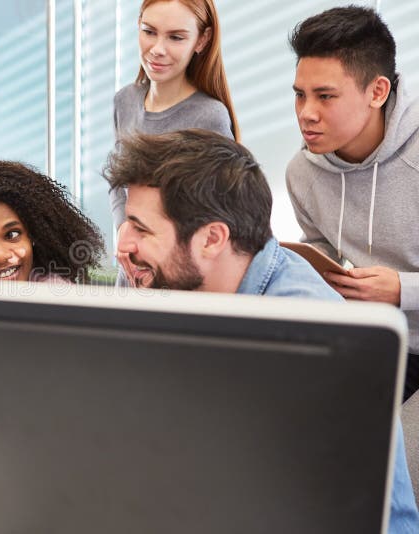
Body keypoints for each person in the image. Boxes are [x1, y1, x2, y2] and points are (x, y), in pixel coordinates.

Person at [104, 128, 419, 532]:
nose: (121, 245)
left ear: (212, 239)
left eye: (141, 228)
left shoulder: (306, 345)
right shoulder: (194, 292)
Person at [286, 6, 419, 402]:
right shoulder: (302, 172)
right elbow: (321, 244)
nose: (306, 114)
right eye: (299, 95)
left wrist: (402, 289)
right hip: (362, 341)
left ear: (377, 92)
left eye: (325, 96)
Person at [111, 0, 239, 281]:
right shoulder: (125, 101)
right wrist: (123, 227)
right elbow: (117, 183)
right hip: (131, 269)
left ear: (201, 40)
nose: (157, 49)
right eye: (149, 31)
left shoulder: (209, 117)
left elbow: (224, 213)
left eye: (176, 37)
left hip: (177, 276)